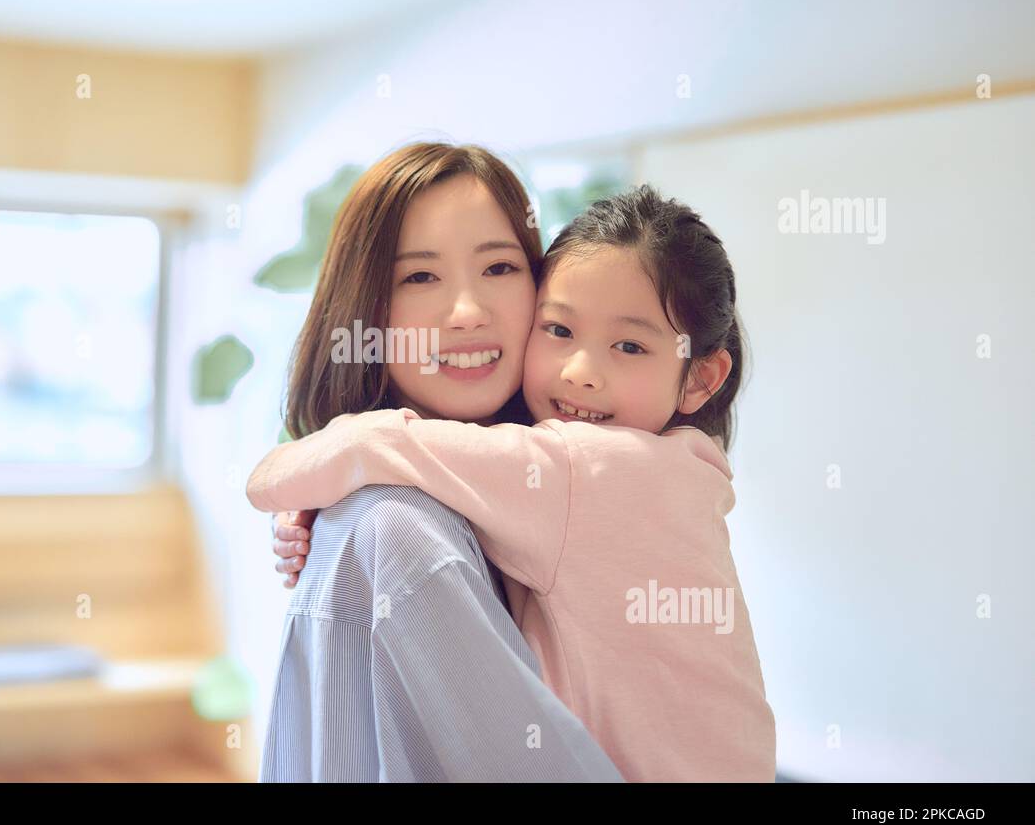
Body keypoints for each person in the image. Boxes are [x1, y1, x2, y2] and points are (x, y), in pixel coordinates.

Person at [252, 186, 776, 781]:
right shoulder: (675, 466)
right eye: (558, 331)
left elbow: (382, 446)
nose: (580, 373)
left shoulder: (589, 469)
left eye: (629, 345)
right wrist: (324, 497)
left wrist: (294, 482)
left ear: (700, 378)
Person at [258, 141, 622, 781]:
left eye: (501, 268)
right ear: (365, 310)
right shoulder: (403, 529)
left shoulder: (531, 485)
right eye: (419, 277)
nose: (468, 312)